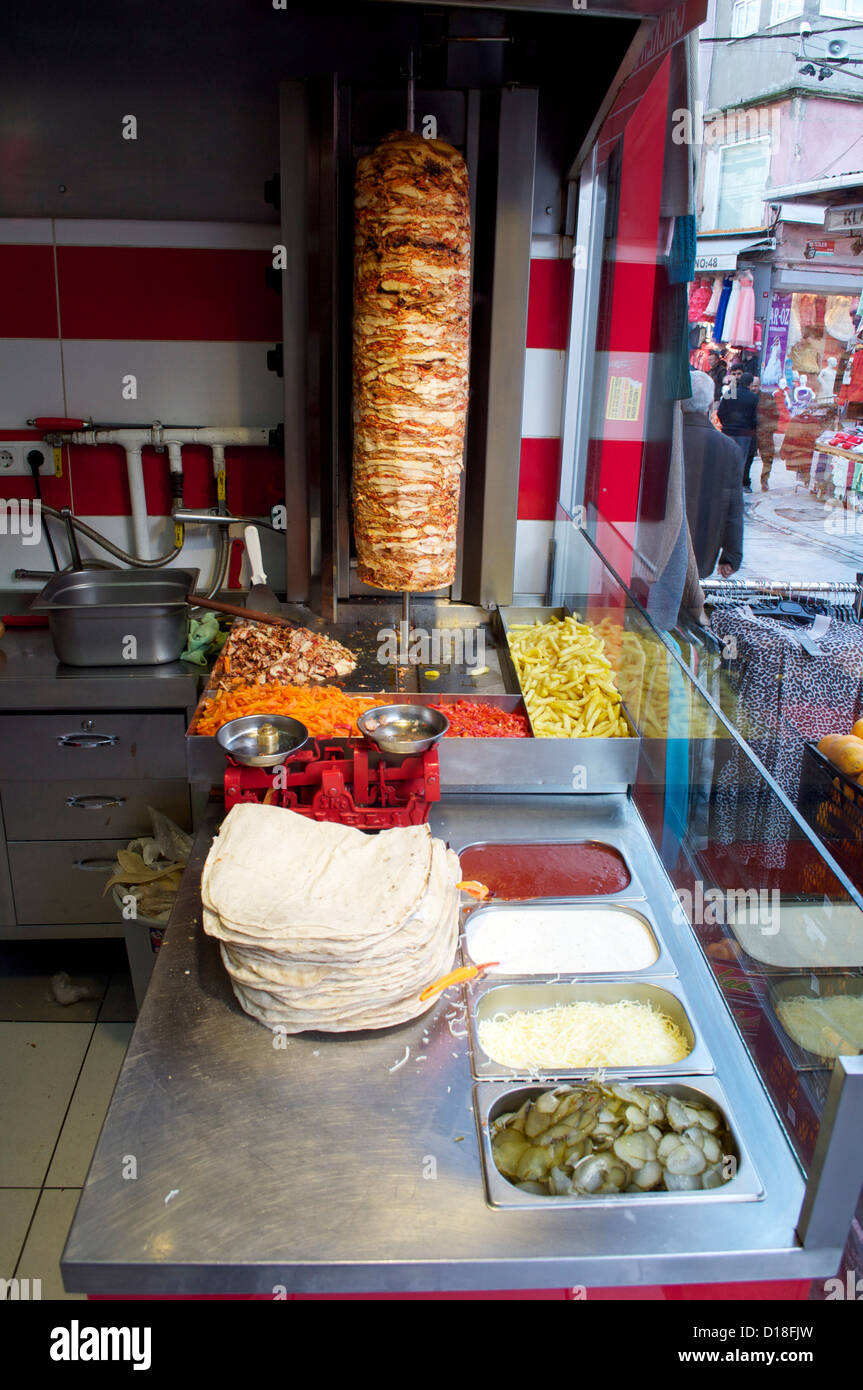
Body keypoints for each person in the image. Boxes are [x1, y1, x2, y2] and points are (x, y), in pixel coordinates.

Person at [682, 370, 744, 578]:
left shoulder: (665, 439)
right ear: (710, 405)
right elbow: (733, 506)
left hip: (658, 546)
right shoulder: (728, 448)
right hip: (703, 547)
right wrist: (731, 555)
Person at [718, 369, 759, 490]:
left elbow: (721, 412)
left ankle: (724, 484)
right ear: (750, 384)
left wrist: (726, 425)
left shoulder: (730, 393)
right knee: (740, 461)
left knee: (726, 459)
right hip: (744, 434)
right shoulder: (753, 398)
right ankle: (736, 487)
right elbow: (755, 418)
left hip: (728, 432)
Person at [756, 383, 780, 491]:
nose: (754, 388)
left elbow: (775, 414)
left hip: (765, 433)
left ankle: (764, 480)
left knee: (768, 458)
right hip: (749, 433)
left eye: (756, 385)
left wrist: (771, 428)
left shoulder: (767, 397)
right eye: (752, 385)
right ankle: (744, 482)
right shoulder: (741, 394)